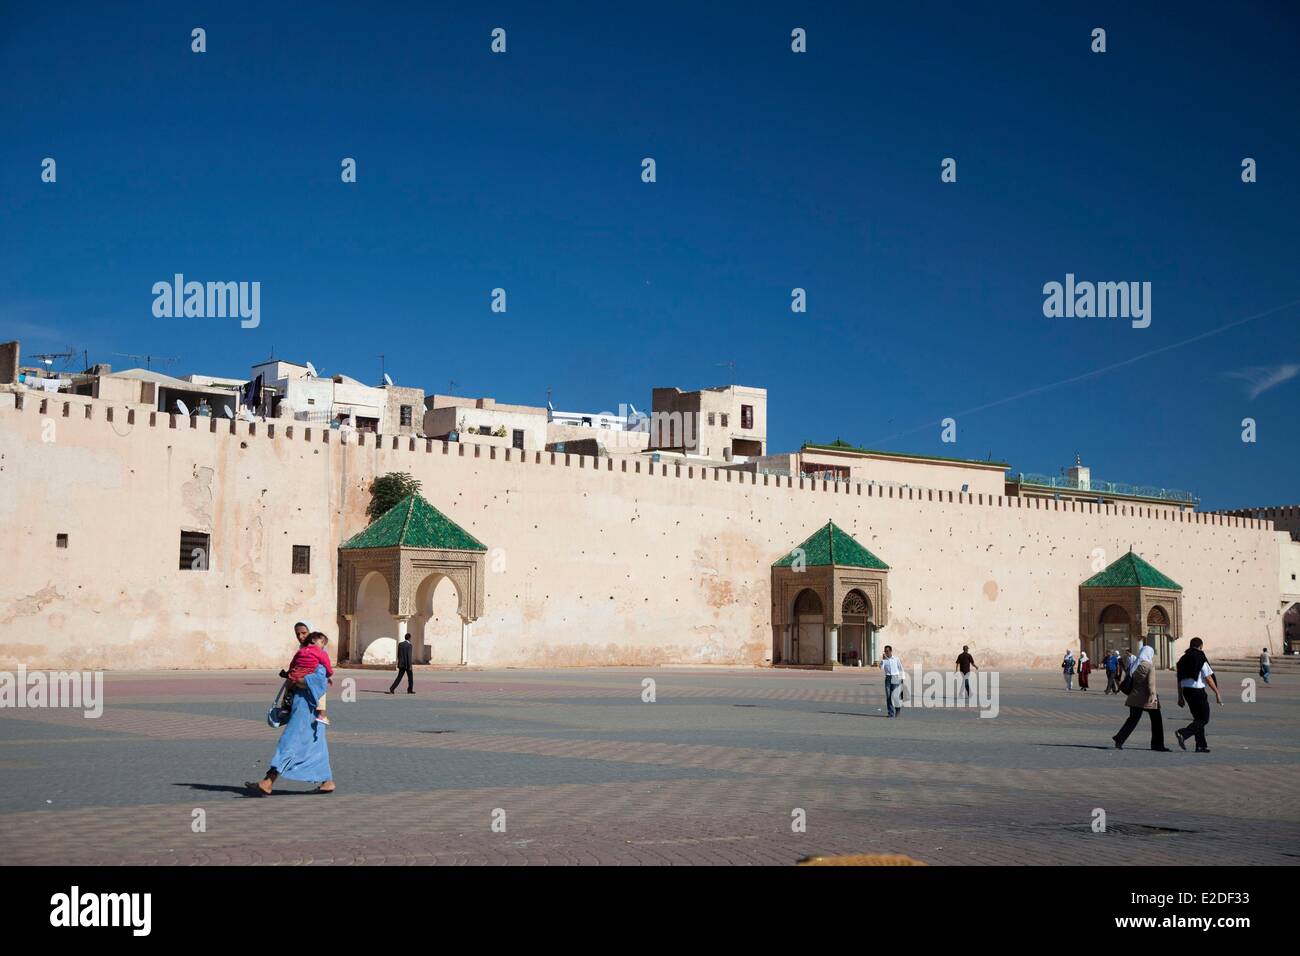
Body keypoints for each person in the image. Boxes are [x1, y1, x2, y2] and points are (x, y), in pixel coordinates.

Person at [248, 630, 335, 795]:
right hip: (300, 704)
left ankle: (268, 780)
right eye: (298, 634)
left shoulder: (319, 659)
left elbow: (319, 681)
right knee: (317, 745)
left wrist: (298, 680)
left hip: (308, 706)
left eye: (303, 633)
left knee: (290, 741)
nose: (300, 637)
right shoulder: (301, 657)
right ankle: (327, 781)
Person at [1112, 645, 1170, 751]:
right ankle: (1157, 744)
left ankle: (1119, 739)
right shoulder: (1149, 666)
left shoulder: (1134, 665)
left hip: (1134, 697)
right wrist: (1153, 696)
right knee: (1157, 721)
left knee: (1132, 720)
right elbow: (1151, 683)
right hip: (1148, 698)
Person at [1175, 638, 1222, 753]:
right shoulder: (1200, 658)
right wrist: (1217, 693)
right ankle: (1183, 733)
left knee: (1198, 719)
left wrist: (1180, 697)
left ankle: (1201, 745)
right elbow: (1208, 678)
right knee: (1204, 718)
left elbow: (1179, 680)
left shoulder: (1183, 659)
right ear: (1201, 646)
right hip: (1197, 692)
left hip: (1187, 692)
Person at [880, 645, 905, 717]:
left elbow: (900, 668)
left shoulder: (896, 659)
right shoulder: (884, 660)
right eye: (885, 651)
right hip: (888, 678)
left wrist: (902, 678)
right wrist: (883, 661)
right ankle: (891, 713)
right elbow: (881, 668)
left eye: (887, 651)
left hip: (895, 678)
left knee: (895, 696)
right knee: (888, 696)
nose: (886, 653)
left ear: (891, 651)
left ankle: (897, 708)